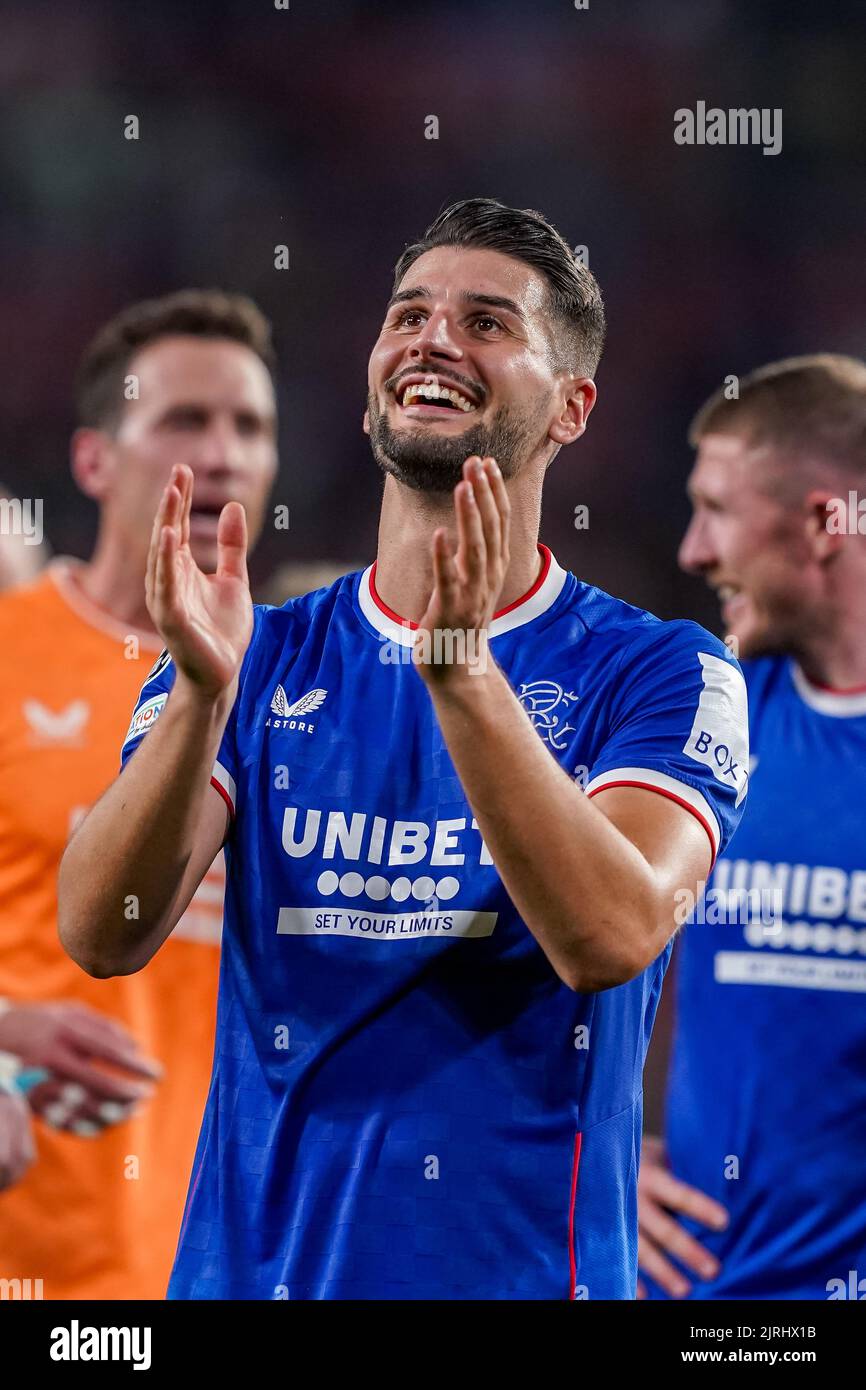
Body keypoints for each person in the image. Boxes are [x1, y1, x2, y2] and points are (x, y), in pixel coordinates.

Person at [60, 199, 748, 1300]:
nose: (432, 339)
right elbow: (102, 933)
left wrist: (461, 672)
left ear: (572, 408)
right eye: (408, 314)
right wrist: (196, 695)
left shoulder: (661, 670)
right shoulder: (259, 652)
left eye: (485, 322)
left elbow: (611, 932)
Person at [0, 290, 278, 1297]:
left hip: (230, 1265)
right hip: (31, 1258)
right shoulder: (9, 656)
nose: (223, 453)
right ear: (92, 462)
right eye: (183, 420)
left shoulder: (301, 687)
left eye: (249, 426)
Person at [638, 355, 866, 1300]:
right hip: (696, 1299)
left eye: (717, 510)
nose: (693, 551)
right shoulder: (706, 720)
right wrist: (598, 1152)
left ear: (821, 523)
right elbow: (600, 951)